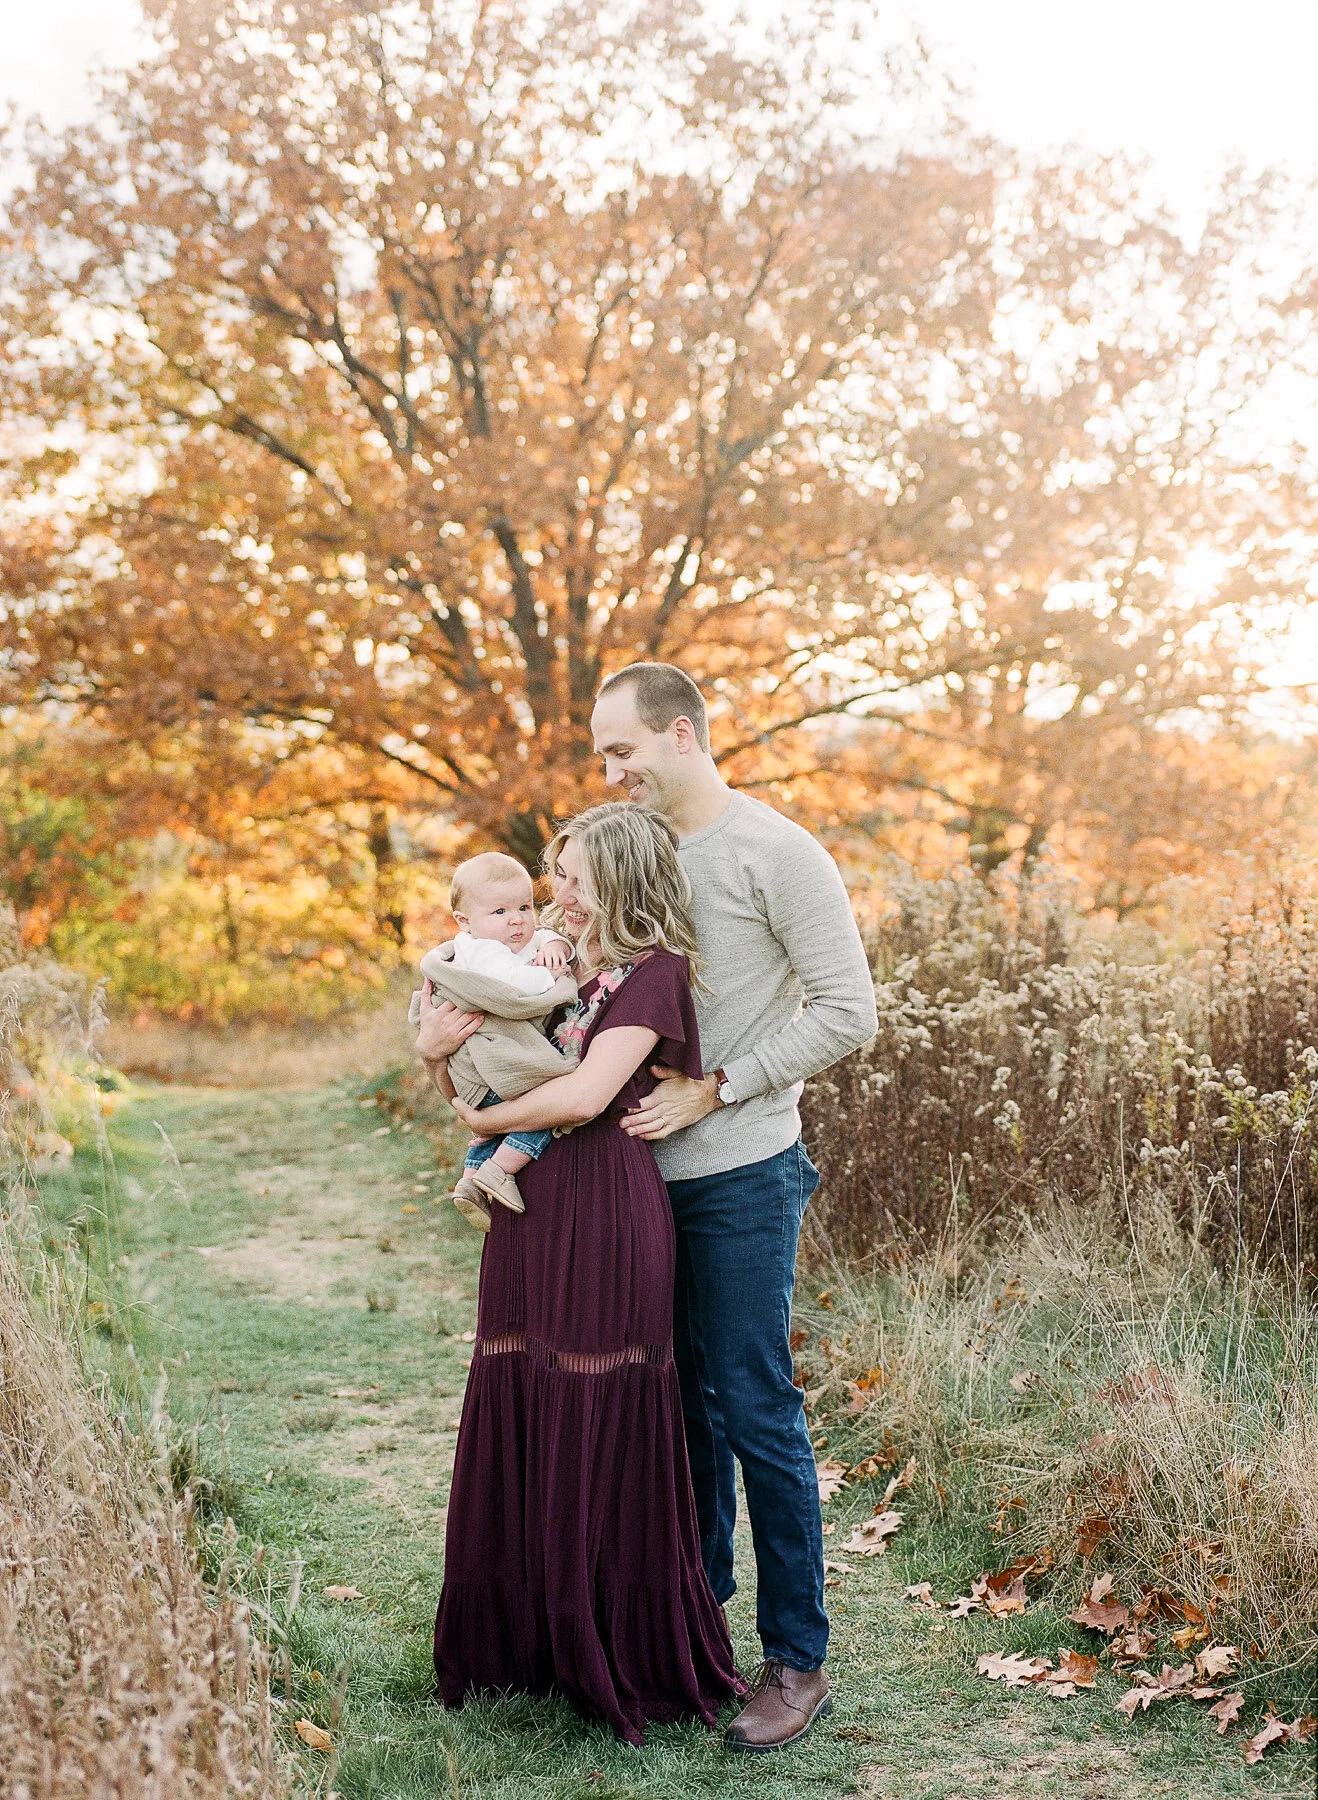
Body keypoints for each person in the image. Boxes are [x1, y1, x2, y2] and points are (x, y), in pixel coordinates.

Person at [590, 662, 878, 1752]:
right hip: (631, 1185)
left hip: (743, 1175)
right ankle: (693, 1634)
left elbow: (849, 1010)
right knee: (678, 1414)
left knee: (755, 1408)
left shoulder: (776, 851)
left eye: (622, 751)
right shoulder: (641, 853)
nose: (612, 774)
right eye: (603, 758)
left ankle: (796, 1663)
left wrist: (721, 1086)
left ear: (680, 734)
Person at [417, 804, 744, 1747]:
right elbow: (476, 1072)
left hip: (603, 1205)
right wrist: (436, 1059)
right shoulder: (553, 969)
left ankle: (614, 1641)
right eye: (556, 877)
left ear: (621, 882)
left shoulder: (656, 976)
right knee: (525, 1389)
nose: (556, 895)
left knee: (599, 1405)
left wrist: (478, 1129)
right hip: (527, 1212)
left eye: (573, 877)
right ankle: (526, 1640)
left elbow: (588, 1097)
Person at [408, 851, 576, 1229]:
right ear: (464, 922)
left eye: (524, 906)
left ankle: (469, 1183)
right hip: (488, 1067)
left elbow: (548, 937)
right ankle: (499, 1170)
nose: (517, 919)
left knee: (514, 1115)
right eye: (499, 912)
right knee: (547, 1104)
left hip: (477, 1076)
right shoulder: (483, 951)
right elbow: (514, 991)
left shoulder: (512, 938)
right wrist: (556, 978)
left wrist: (555, 947)